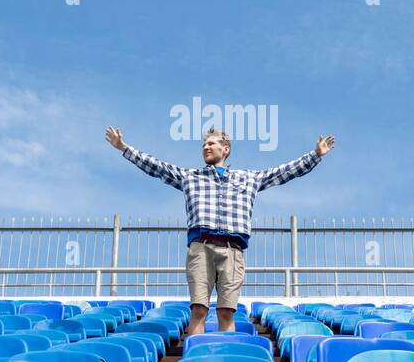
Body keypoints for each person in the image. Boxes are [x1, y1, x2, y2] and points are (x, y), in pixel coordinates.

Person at [105, 125, 335, 336]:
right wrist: (124, 148)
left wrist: (315, 155)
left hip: (233, 251)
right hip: (200, 248)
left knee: (226, 312)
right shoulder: (190, 177)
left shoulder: (249, 178)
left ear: (225, 149)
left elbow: (284, 172)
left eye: (211, 143)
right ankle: (195, 357)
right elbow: (156, 167)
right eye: (204, 144)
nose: (206, 147)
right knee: (198, 309)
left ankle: (225, 352)